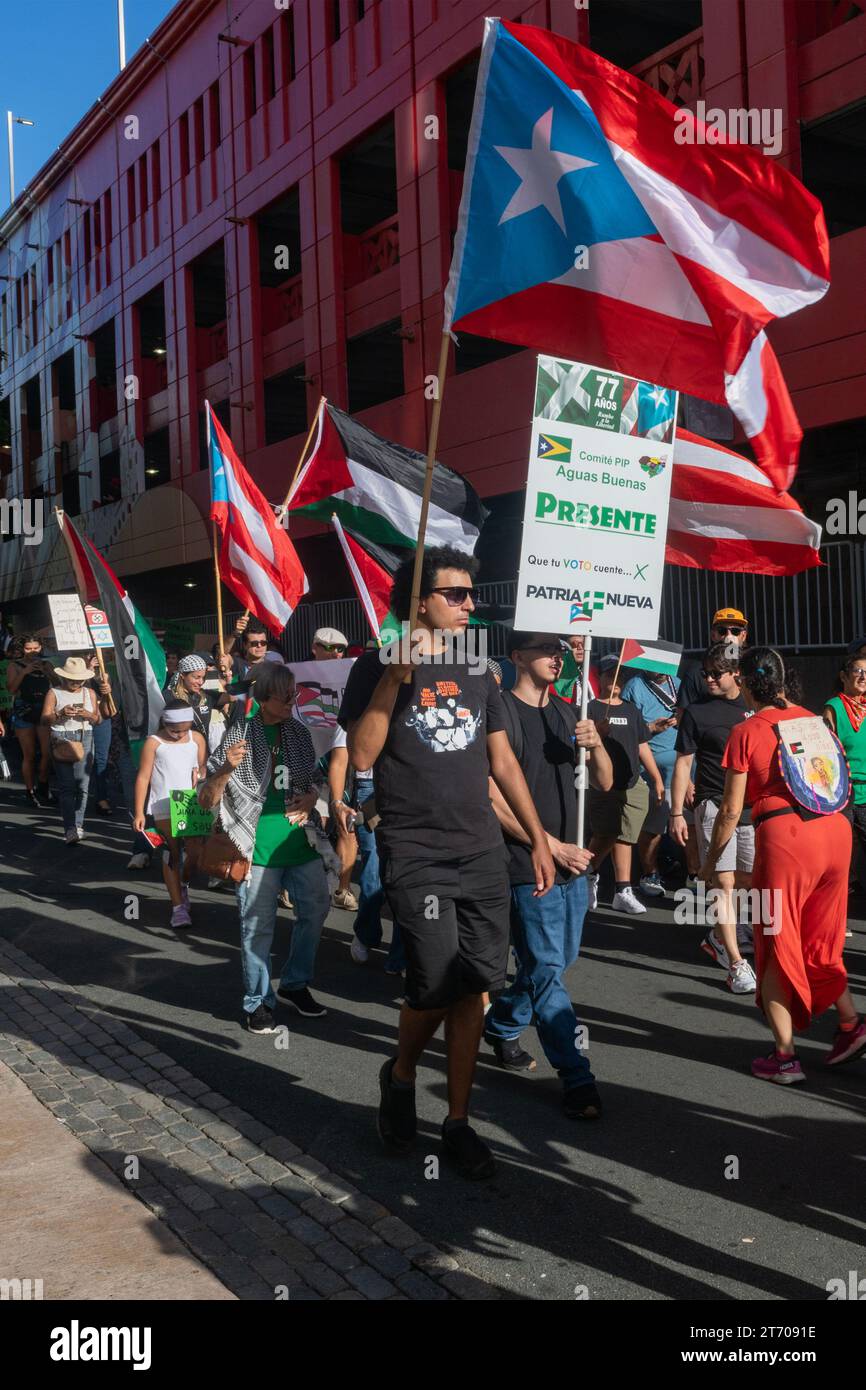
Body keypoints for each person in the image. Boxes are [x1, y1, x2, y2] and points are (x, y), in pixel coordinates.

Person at [339, 545, 554, 1180]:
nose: (469, 603)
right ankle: (400, 1073)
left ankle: (457, 1122)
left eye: (470, 592)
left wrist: (537, 837)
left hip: (483, 850)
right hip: (416, 851)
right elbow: (361, 757)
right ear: (419, 603)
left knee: (473, 990)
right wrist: (392, 678)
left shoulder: (478, 667)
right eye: (455, 594)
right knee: (434, 982)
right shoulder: (375, 663)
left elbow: (502, 761)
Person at [702, 647, 866, 1082]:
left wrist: (710, 863)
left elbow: (730, 810)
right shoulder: (815, 720)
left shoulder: (747, 730)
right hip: (836, 832)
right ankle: (850, 1023)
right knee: (820, 937)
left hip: (786, 839)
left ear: (745, 683)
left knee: (776, 945)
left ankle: (786, 1057)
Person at [484, 632, 613, 1120]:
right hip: (527, 864)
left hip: (574, 866)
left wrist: (596, 743)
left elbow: (604, 780)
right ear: (518, 657)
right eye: (545, 649)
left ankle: (499, 1025)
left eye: (560, 651)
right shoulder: (499, 712)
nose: (557, 658)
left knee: (558, 962)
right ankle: (576, 1077)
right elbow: (491, 796)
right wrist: (548, 845)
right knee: (545, 969)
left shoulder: (568, 713)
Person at [197, 661, 331, 1032]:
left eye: (294, 694)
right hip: (253, 847)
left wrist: (310, 799)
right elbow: (206, 798)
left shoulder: (299, 734)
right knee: (257, 928)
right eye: (286, 695)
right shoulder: (238, 733)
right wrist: (225, 769)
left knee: (317, 911)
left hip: (299, 844)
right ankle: (258, 1001)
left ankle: (295, 982)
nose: (293, 700)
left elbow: (316, 780)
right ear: (265, 697)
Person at [669, 644, 757, 994]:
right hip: (712, 806)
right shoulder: (695, 712)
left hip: (752, 808)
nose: (707, 679)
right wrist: (677, 812)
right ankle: (736, 962)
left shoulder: (753, 707)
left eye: (715, 673)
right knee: (722, 883)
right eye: (704, 673)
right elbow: (683, 764)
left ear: (736, 674)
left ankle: (723, 934)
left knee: (749, 881)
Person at [585, 655, 665, 915]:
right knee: (604, 835)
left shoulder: (631, 709)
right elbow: (583, 750)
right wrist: (597, 733)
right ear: (601, 677)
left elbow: (642, 744)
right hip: (604, 786)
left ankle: (623, 890)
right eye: (611, 675)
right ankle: (588, 877)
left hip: (633, 783)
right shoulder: (590, 708)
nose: (616, 681)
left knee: (626, 837)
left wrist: (656, 777)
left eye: (621, 677)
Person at [133, 699, 207, 928]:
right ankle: (177, 907)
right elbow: (143, 777)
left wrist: (201, 774)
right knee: (172, 854)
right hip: (163, 804)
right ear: (165, 723)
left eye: (184, 730)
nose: (179, 735)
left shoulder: (197, 738)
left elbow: (203, 768)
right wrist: (139, 812)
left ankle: (183, 884)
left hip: (189, 801)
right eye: (174, 730)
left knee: (195, 853)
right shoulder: (153, 742)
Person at [621, 665, 681, 896]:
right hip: (651, 768)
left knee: (691, 825)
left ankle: (694, 874)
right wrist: (651, 728)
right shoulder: (634, 687)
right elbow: (626, 728)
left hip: (684, 766)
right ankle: (649, 872)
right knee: (653, 825)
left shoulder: (679, 682)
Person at [312, 628, 358, 912]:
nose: (334, 654)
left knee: (347, 828)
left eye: (339, 649)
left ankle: (341, 889)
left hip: (346, 766)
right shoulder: (298, 677)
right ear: (314, 647)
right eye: (327, 648)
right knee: (313, 829)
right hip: (310, 765)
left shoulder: (354, 678)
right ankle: (298, 884)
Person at [41, 656, 101, 844]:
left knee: (82, 786)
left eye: (80, 680)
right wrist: (60, 713)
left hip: (85, 736)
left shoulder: (89, 693)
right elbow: (44, 720)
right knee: (67, 786)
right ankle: (70, 828)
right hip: (62, 737)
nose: (76, 683)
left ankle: (78, 824)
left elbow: (98, 720)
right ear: (64, 678)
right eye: (72, 680)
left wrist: (87, 714)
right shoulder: (54, 693)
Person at [824, 652, 866, 870]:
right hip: (846, 794)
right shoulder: (834, 707)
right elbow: (826, 753)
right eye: (857, 671)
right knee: (841, 853)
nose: (863, 676)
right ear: (844, 676)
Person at [6, 634, 53, 804]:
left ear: (41, 647)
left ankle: (43, 783)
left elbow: (56, 684)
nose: (33, 652)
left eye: (36, 648)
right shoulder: (15, 665)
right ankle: (29, 790)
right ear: (22, 649)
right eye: (28, 649)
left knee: (48, 752)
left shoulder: (46, 664)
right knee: (30, 754)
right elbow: (11, 689)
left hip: (44, 708)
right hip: (24, 709)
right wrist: (25, 672)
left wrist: (47, 672)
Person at [677, 608, 749, 710]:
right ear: (713, 635)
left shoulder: (753, 667)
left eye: (735, 631)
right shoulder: (696, 672)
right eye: (722, 631)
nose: (729, 637)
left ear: (743, 635)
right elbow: (683, 714)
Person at [84, 650, 115, 815]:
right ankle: (79, 795)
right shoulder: (77, 673)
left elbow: (111, 704)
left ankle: (101, 798)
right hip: (81, 720)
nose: (93, 658)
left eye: (95, 655)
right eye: (89, 655)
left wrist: (106, 687)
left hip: (102, 719)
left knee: (101, 759)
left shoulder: (107, 674)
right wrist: (88, 669)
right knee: (82, 759)